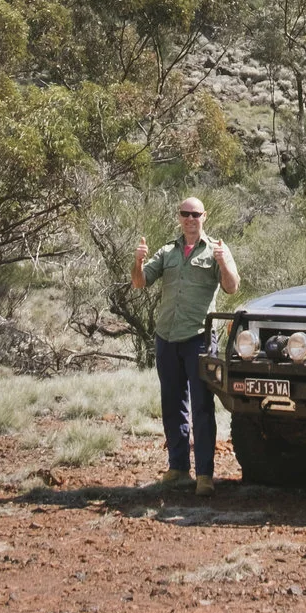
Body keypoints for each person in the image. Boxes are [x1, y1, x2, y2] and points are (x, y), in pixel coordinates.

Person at [131, 195, 239, 493]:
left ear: (205, 216)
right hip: (167, 337)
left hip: (199, 339)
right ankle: (178, 468)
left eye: (195, 214)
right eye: (185, 214)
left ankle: (205, 475)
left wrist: (223, 263)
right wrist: (138, 260)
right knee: (172, 403)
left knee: (202, 406)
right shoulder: (167, 251)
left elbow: (232, 287)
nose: (190, 219)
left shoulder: (217, 249)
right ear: (179, 217)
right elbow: (140, 283)